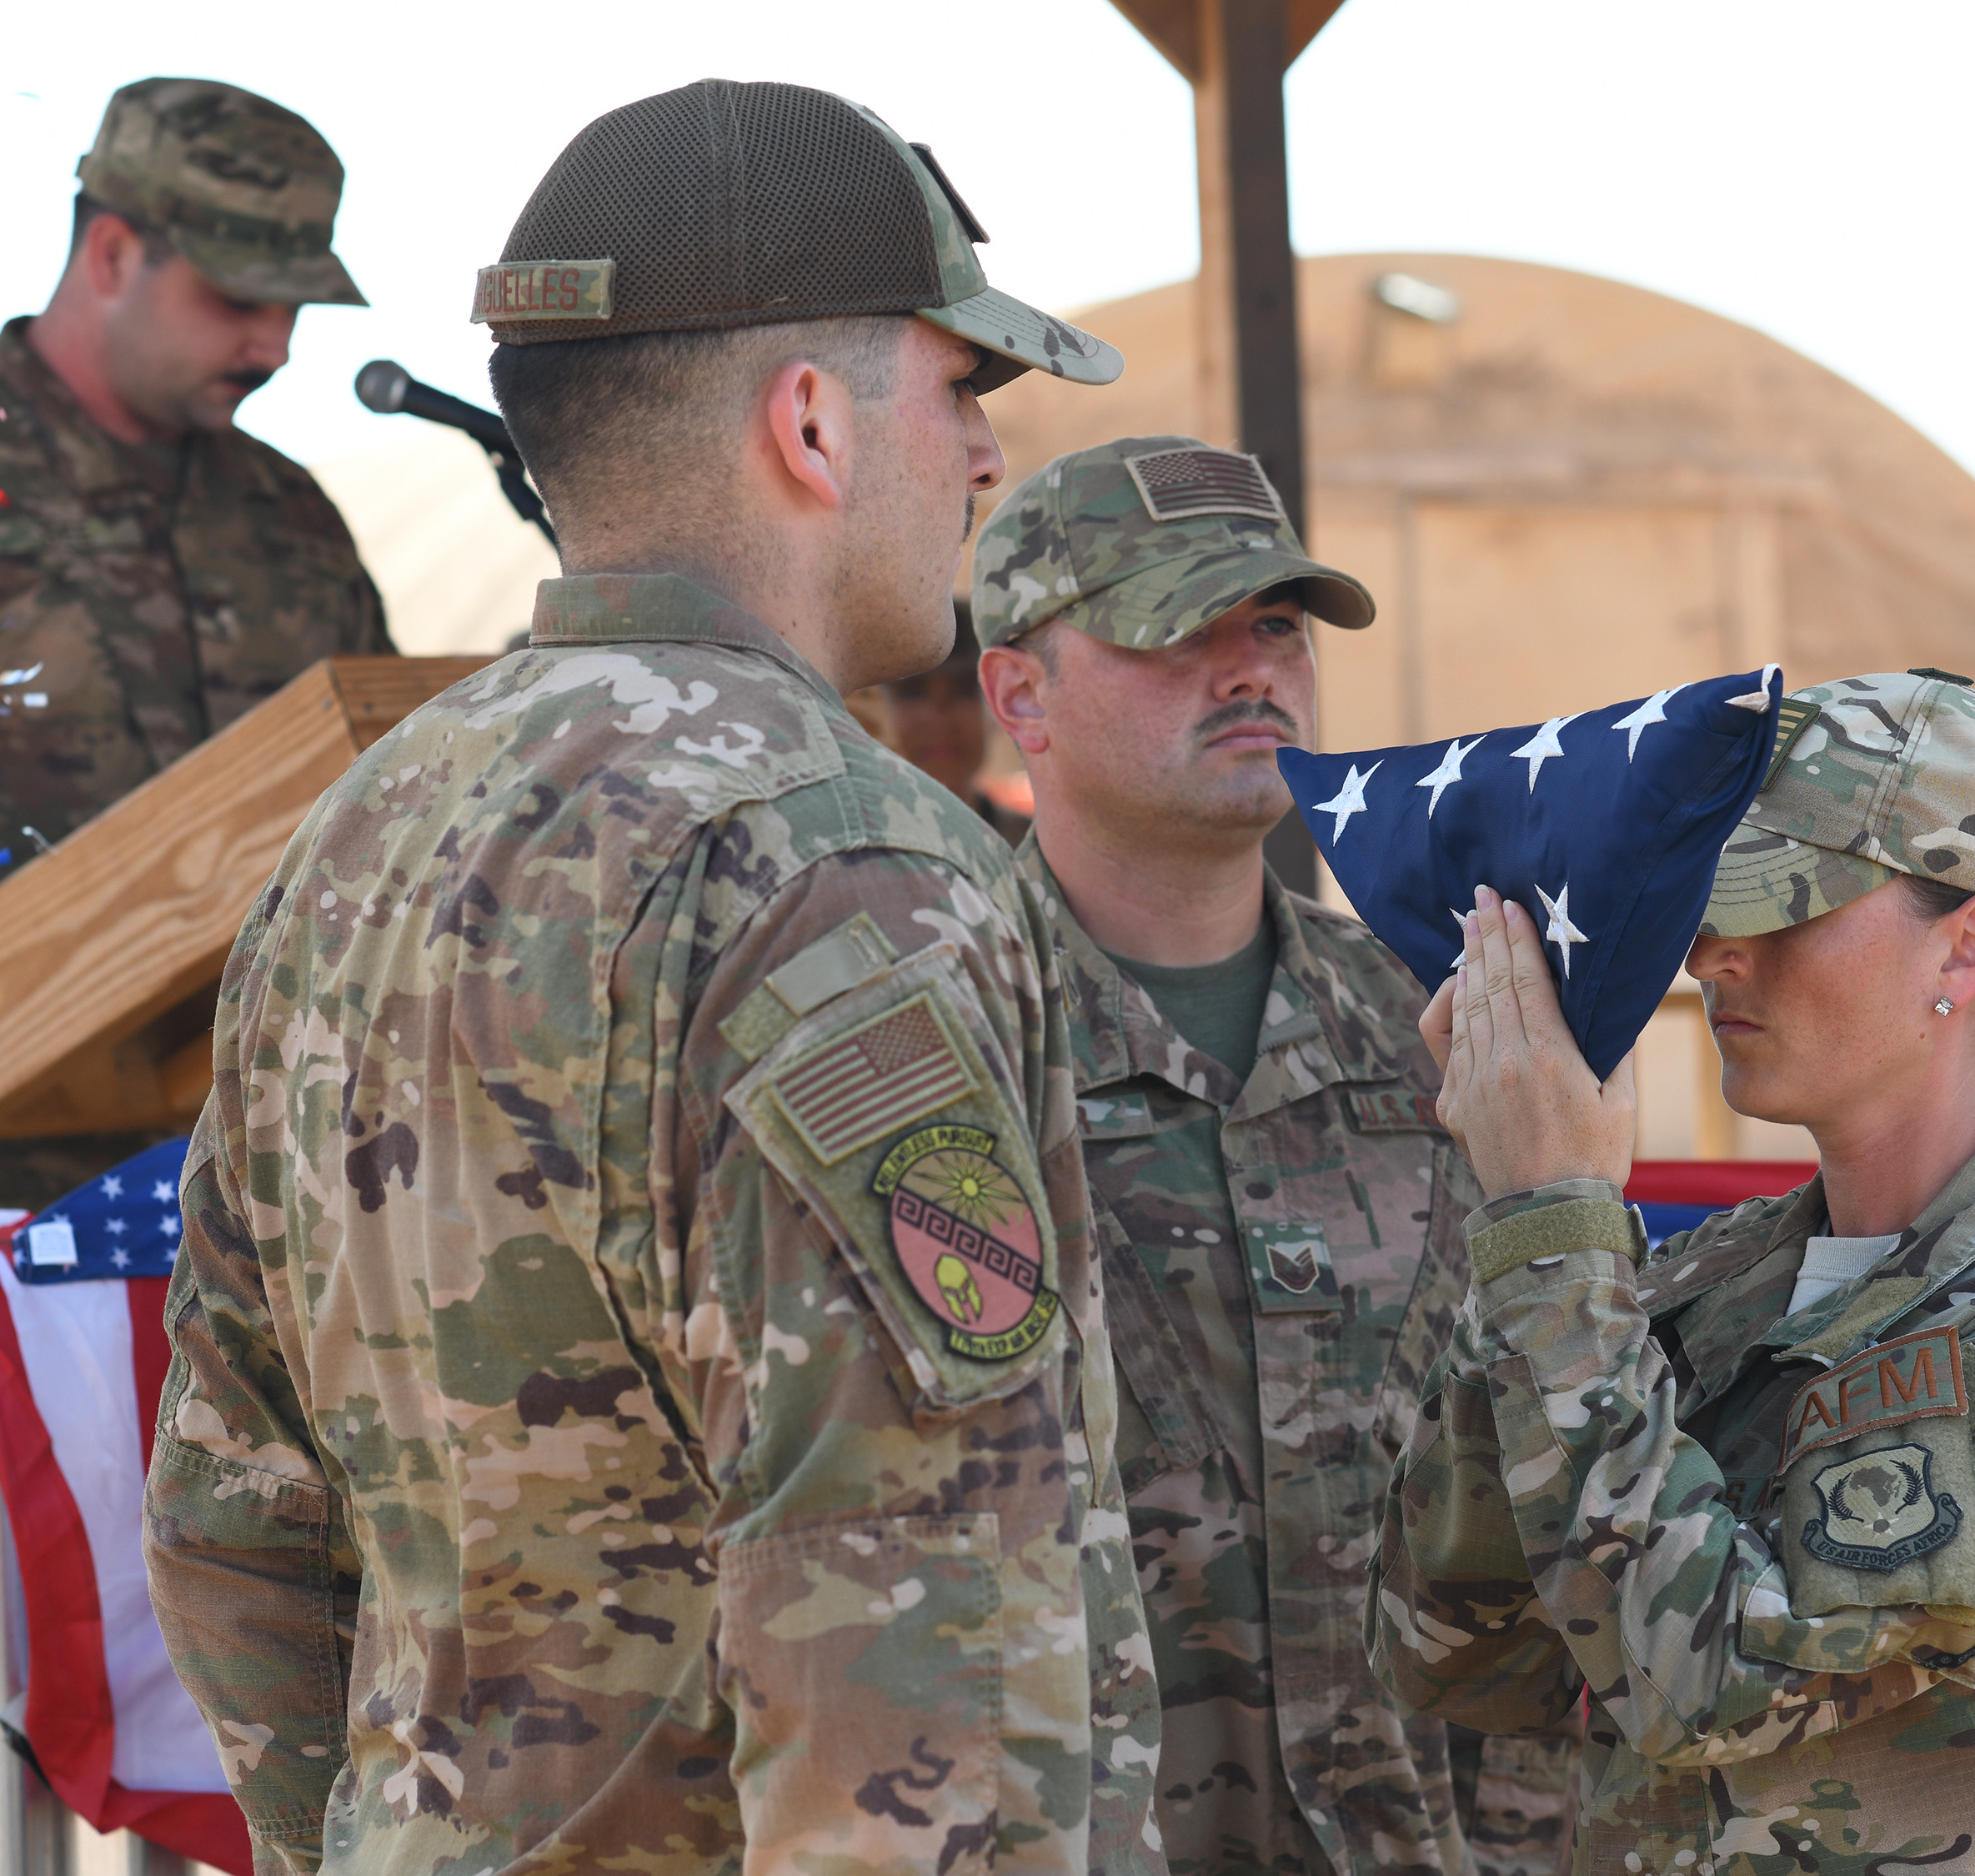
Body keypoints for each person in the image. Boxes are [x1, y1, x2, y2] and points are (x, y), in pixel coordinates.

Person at [142, 82, 1161, 1874]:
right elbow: (921, 1646)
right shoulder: (844, 872)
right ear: (809, 425)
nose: (990, 459)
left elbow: (235, 1521)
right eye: (961, 388)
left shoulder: (350, 846)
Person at [1369, 670, 1975, 1875]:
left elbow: (1721, 1685)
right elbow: (1455, 1647)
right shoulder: (1706, 1278)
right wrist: (1533, 1232)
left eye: (1780, 908)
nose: (1713, 953)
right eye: (1705, 907)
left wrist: (1557, 1239)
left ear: (1968, 948)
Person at [975, 436, 1572, 1876]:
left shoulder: (1441, 1031)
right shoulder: (945, 1041)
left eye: (1278, 627)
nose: (1251, 671)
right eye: (1179, 629)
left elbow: (1555, 1474)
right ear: (1019, 697)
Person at [0, 77, 388, 914]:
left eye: (295, 307)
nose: (275, 347)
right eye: (240, 297)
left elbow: (391, 793)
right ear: (111, 254)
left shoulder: (294, 517)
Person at [885, 599, 1030, 843]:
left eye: (964, 692)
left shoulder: (1034, 852)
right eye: (913, 693)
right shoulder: (845, 852)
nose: (939, 719)